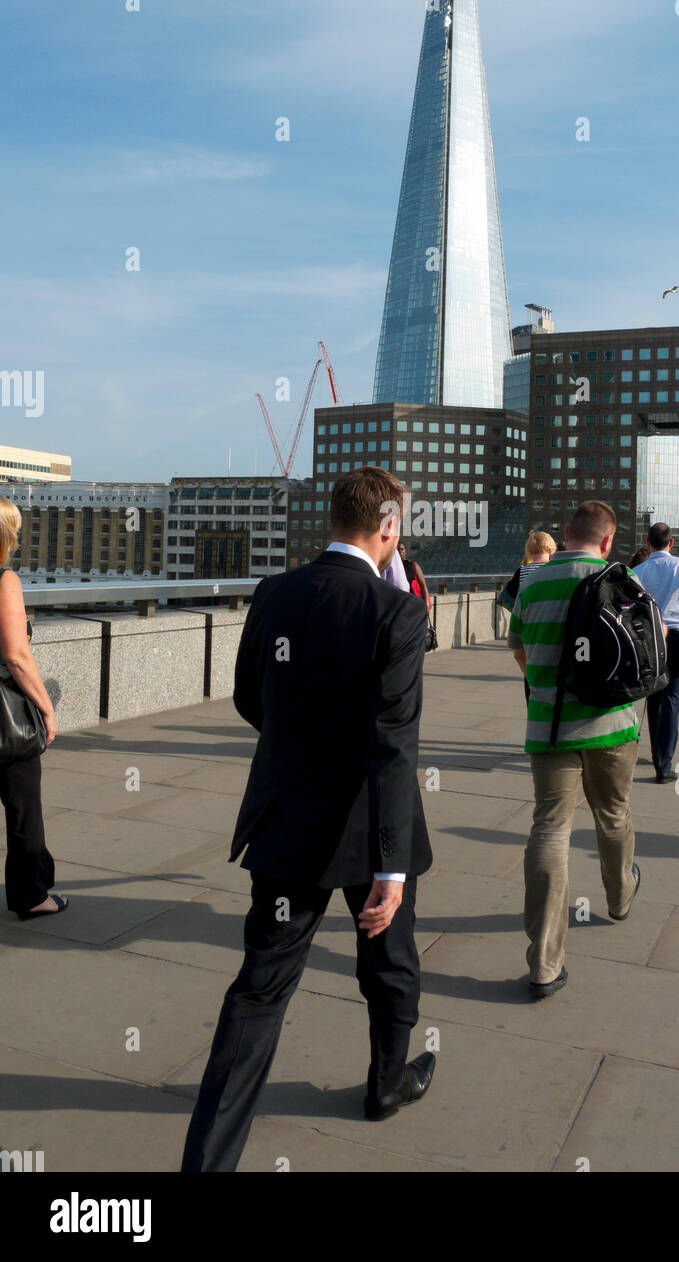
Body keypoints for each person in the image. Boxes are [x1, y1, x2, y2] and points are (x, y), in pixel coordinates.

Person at [181, 466, 435, 1172]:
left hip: (288, 816)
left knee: (259, 990)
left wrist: (298, 747)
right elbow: (393, 742)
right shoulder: (399, 613)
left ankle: (207, 1161)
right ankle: (386, 1085)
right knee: (388, 962)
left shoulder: (275, 592)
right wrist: (390, 867)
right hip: (371, 822)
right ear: (387, 526)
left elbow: (247, 696)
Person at [507, 501, 641, 1000]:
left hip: (550, 727)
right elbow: (649, 647)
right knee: (613, 812)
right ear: (607, 541)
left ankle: (544, 964)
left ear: (565, 534)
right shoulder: (622, 578)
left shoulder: (532, 581)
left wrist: (543, 682)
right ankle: (620, 894)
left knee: (549, 828)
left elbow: (518, 647)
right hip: (612, 726)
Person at [0, 501, 65, 920]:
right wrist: (46, 709)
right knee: (24, 807)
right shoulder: (5, 579)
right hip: (5, 720)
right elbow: (17, 655)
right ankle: (31, 896)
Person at [632, 523, 679, 784]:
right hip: (677, 637)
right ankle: (664, 764)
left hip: (650, 639)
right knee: (672, 700)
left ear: (648, 542)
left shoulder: (638, 570)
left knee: (653, 698)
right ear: (671, 542)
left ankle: (657, 753)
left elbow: (630, 607)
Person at [397, 541, 431, 608]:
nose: (400, 551)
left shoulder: (413, 565)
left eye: (402, 549)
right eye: (397, 550)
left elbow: (423, 586)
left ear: (405, 552)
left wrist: (426, 605)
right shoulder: (391, 567)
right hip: (400, 605)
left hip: (414, 604)